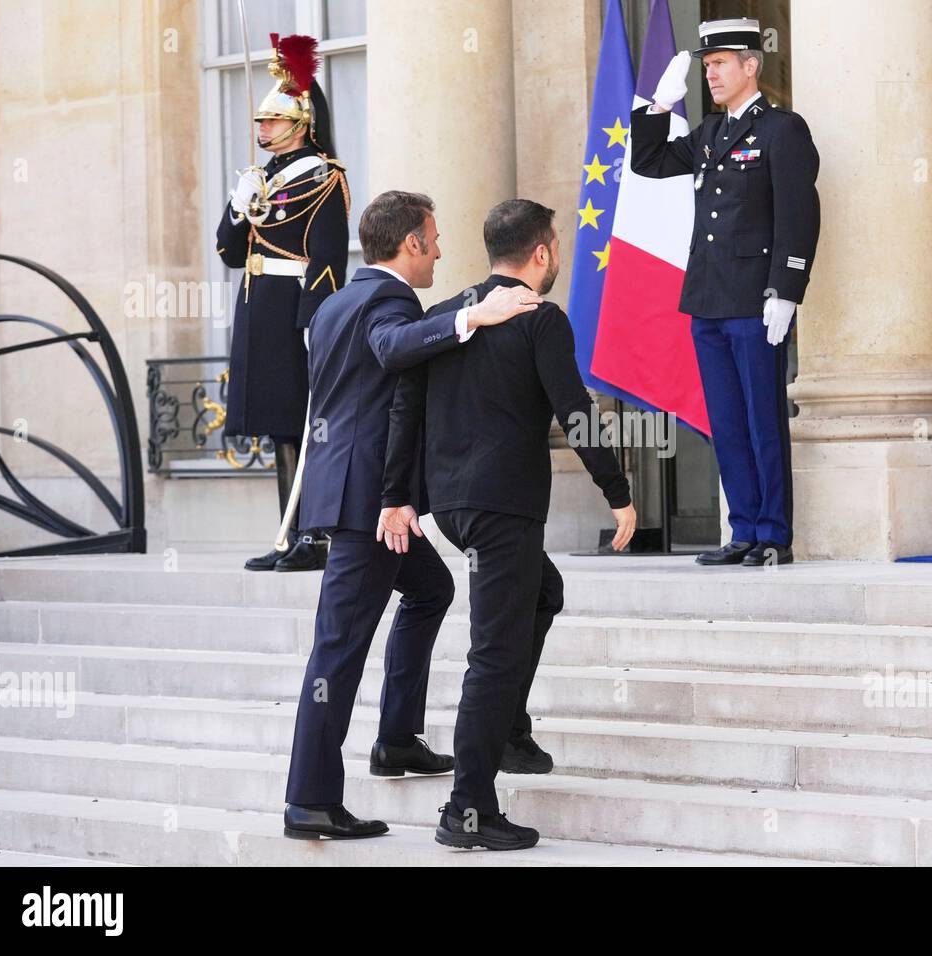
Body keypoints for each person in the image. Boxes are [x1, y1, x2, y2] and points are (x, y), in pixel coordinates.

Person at [282, 191, 539, 840]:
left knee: (431, 588)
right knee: (336, 650)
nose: (442, 250)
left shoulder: (336, 301)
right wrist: (474, 316)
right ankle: (309, 799)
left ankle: (397, 738)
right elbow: (395, 347)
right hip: (367, 505)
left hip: (346, 491)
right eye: (434, 237)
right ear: (410, 245)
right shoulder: (387, 302)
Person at [381, 199, 636, 851]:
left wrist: (401, 494)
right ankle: (467, 808)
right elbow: (575, 411)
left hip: (456, 506)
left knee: (542, 594)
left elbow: (406, 408)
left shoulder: (448, 316)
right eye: (556, 247)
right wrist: (619, 493)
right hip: (502, 507)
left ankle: (512, 731)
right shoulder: (537, 319)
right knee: (493, 653)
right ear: (543, 253)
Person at [630, 17, 820, 567]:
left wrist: (786, 287)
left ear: (750, 65)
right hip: (709, 299)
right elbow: (648, 163)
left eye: (719, 64)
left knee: (764, 420)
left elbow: (798, 212)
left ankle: (773, 535)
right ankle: (742, 529)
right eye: (706, 66)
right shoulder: (710, 134)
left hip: (755, 300)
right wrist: (657, 108)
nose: (709, 75)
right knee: (727, 423)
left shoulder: (782, 129)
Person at [216, 33, 346, 572]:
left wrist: (314, 321)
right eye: (261, 123)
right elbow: (227, 253)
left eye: (273, 121)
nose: (263, 129)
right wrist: (236, 206)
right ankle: (287, 535)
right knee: (277, 424)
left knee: (302, 422)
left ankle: (314, 537)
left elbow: (330, 256)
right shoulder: (260, 177)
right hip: (256, 309)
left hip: (293, 311)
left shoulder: (324, 176)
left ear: (302, 122)